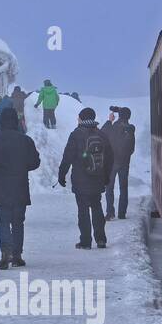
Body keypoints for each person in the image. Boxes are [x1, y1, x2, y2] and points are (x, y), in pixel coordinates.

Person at [0, 106, 40, 269]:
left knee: (3, 220)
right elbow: (35, 162)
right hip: (20, 186)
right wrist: (21, 166)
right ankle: (17, 254)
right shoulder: (26, 140)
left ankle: (6, 251)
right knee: (18, 221)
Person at [58, 107, 115, 249]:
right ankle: (101, 239)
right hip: (97, 178)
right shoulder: (101, 135)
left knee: (83, 210)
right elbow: (109, 158)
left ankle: (85, 241)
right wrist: (106, 176)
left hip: (80, 179)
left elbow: (68, 157)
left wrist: (62, 174)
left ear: (81, 118)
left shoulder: (76, 135)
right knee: (97, 207)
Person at [101, 106, 137, 220]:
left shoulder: (113, 127)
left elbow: (101, 133)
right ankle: (122, 213)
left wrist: (109, 120)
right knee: (123, 188)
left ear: (119, 115)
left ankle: (110, 212)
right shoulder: (130, 129)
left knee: (109, 188)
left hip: (112, 162)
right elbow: (132, 149)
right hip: (124, 163)